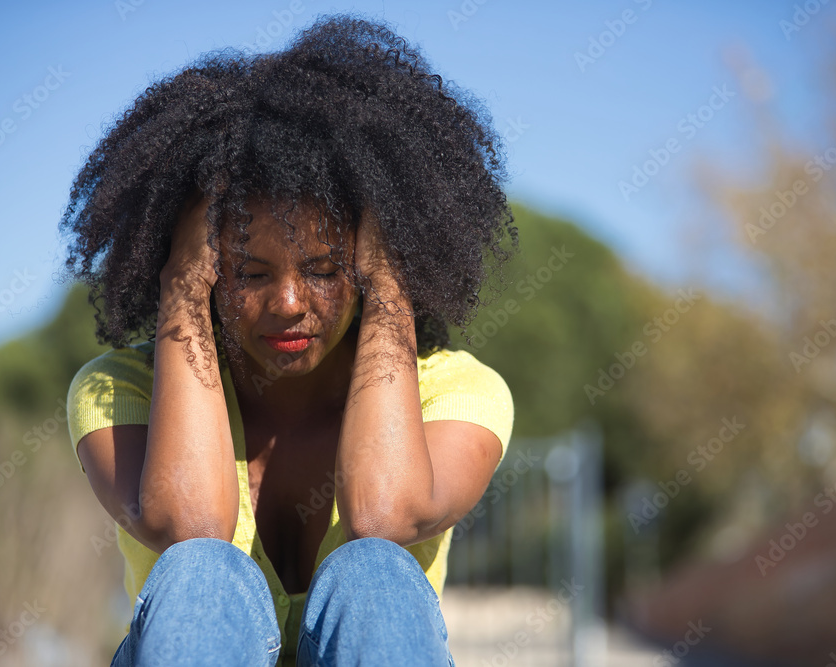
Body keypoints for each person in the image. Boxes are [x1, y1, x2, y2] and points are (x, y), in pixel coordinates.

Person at [61, 13, 517, 666]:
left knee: (375, 574)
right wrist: (182, 289)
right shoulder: (117, 391)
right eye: (248, 271)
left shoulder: (458, 392)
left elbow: (382, 512)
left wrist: (391, 278)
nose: (289, 303)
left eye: (326, 269)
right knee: (199, 574)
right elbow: (191, 525)